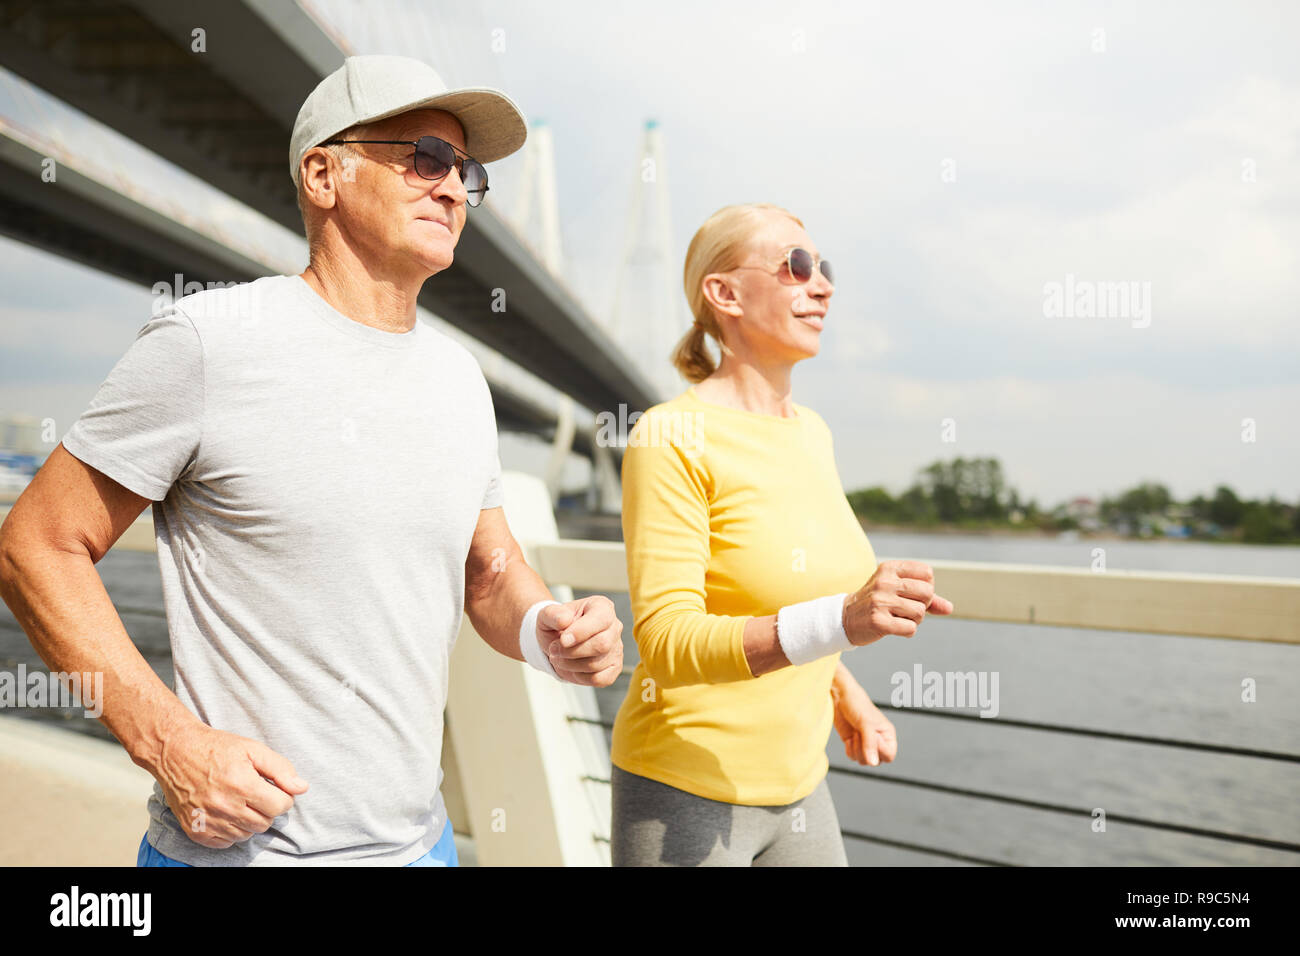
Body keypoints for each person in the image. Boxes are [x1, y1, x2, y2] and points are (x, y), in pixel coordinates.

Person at [0, 54, 622, 867]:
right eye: (424, 158)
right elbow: (36, 545)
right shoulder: (208, 342)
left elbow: (490, 572)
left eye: (463, 172)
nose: (451, 188)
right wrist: (170, 744)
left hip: (422, 848)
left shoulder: (460, 379)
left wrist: (551, 630)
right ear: (324, 175)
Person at [609, 202, 953, 866]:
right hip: (685, 788)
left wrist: (845, 692)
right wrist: (843, 621)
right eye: (796, 266)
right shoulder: (670, 435)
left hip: (802, 788)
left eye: (823, 268)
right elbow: (668, 640)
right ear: (725, 292)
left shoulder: (813, 432)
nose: (821, 285)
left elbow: (792, 594)